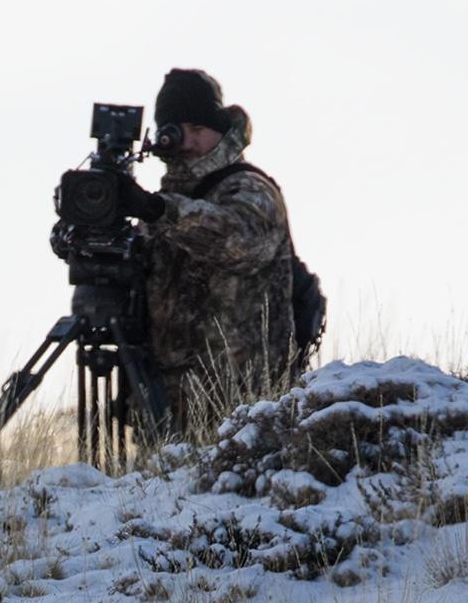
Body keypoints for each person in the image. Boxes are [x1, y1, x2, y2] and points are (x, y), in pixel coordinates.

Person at [116, 68, 318, 434]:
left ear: (219, 128)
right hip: (169, 405)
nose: (190, 142)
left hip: (246, 407)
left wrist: (157, 210)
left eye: (199, 129)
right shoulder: (161, 206)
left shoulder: (250, 188)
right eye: (179, 131)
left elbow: (237, 241)